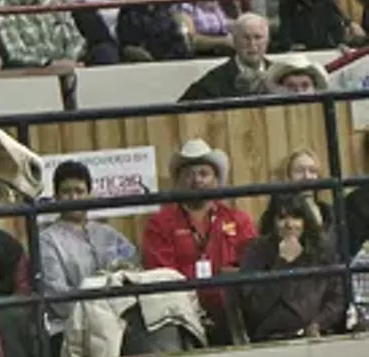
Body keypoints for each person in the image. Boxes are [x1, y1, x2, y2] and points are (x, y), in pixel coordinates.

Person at [142, 139, 258, 344]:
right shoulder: (159, 224)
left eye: (204, 174)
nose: (196, 180)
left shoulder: (238, 220)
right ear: (178, 181)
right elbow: (160, 273)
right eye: (188, 174)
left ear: (216, 180)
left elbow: (252, 263)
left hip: (233, 314)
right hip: (180, 316)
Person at [38, 159, 138, 357]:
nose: (74, 197)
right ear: (56, 197)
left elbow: (133, 266)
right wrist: (96, 313)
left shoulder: (107, 233)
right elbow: (57, 296)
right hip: (71, 329)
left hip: (118, 320)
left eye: (79, 191)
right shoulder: (47, 240)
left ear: (89, 194)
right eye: (66, 192)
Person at [238, 193, 345, 341]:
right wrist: (282, 265)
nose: (289, 224)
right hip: (271, 338)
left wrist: (318, 324)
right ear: (272, 221)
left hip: (319, 335)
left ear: (305, 221)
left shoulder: (322, 251)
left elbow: (337, 298)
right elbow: (255, 307)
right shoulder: (256, 251)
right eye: (282, 218)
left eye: (296, 218)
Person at [179, 13, 274, 102]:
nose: (252, 44)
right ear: (234, 41)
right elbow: (180, 111)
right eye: (246, 38)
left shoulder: (284, 77)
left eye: (258, 37)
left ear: (267, 40)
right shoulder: (211, 83)